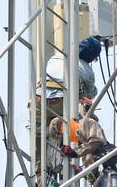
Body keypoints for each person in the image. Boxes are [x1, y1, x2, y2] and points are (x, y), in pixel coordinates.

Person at [33, 37, 102, 176]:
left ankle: (41, 175)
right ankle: (90, 172)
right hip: (60, 103)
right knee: (84, 129)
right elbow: (91, 93)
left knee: (41, 135)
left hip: (38, 102)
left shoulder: (56, 57)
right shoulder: (86, 70)